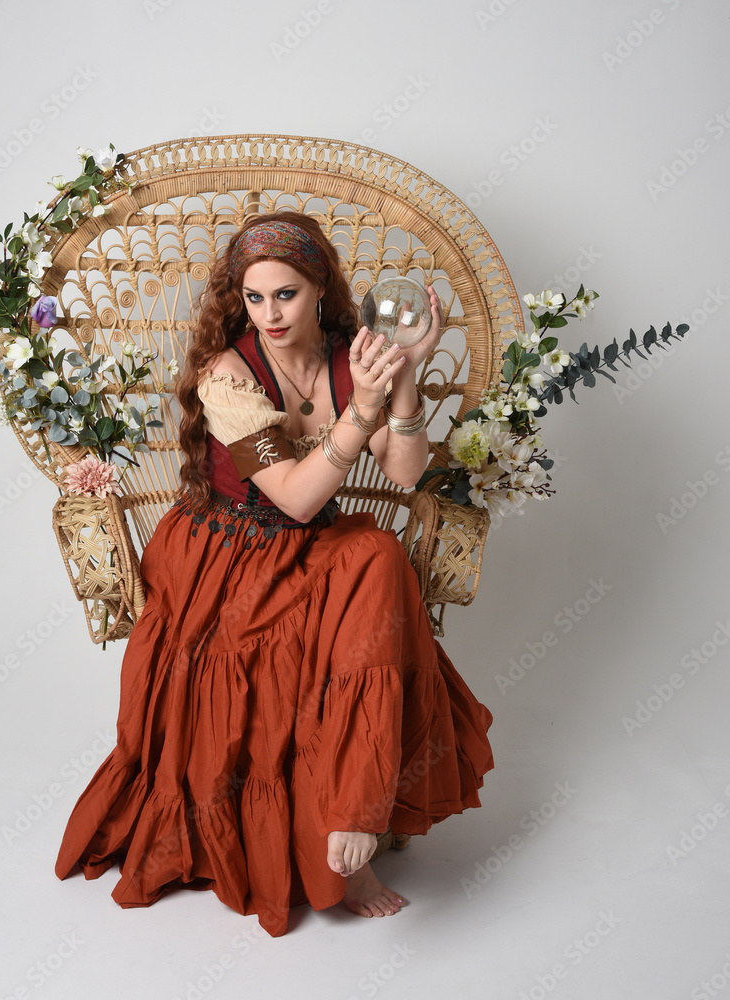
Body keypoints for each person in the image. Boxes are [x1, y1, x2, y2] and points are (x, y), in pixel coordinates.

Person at [54, 211, 494, 937]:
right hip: (224, 552)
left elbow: (409, 471)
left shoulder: (351, 353)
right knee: (347, 583)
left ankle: (352, 816)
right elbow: (292, 496)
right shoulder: (226, 373)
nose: (270, 315)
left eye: (286, 294)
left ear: (321, 287)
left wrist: (404, 375)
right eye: (254, 299)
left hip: (305, 543)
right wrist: (361, 413)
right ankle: (341, 843)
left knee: (380, 558)